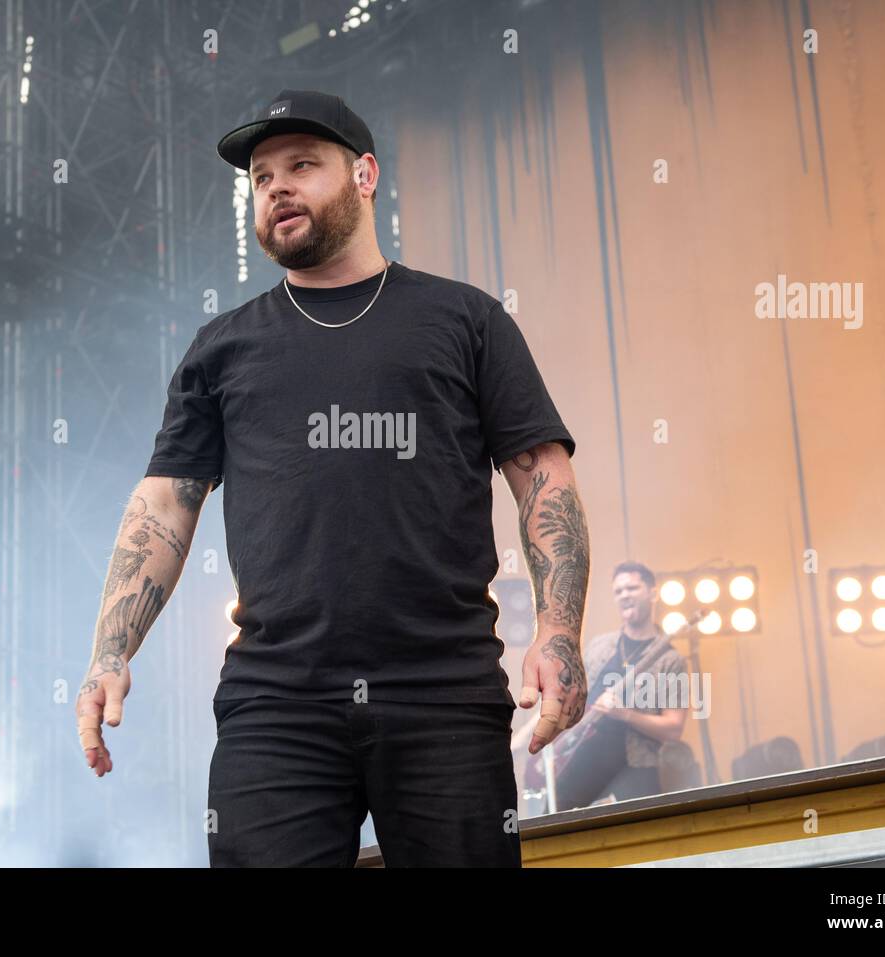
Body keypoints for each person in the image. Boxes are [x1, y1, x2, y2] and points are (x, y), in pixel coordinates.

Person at [75, 89, 589, 867]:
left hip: (443, 693)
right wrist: (109, 652)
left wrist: (559, 633)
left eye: (302, 165)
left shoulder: (467, 321)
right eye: (260, 176)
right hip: (275, 703)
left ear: (365, 175)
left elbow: (543, 480)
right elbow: (165, 505)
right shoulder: (223, 349)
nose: (276, 186)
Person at [536, 561, 689, 808]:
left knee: (644, 836)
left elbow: (673, 728)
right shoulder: (599, 646)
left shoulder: (670, 660)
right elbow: (566, 696)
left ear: (653, 593)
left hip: (637, 765)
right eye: (618, 591)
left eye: (632, 588)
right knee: (551, 822)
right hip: (587, 757)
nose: (624, 596)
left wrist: (625, 714)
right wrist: (525, 738)